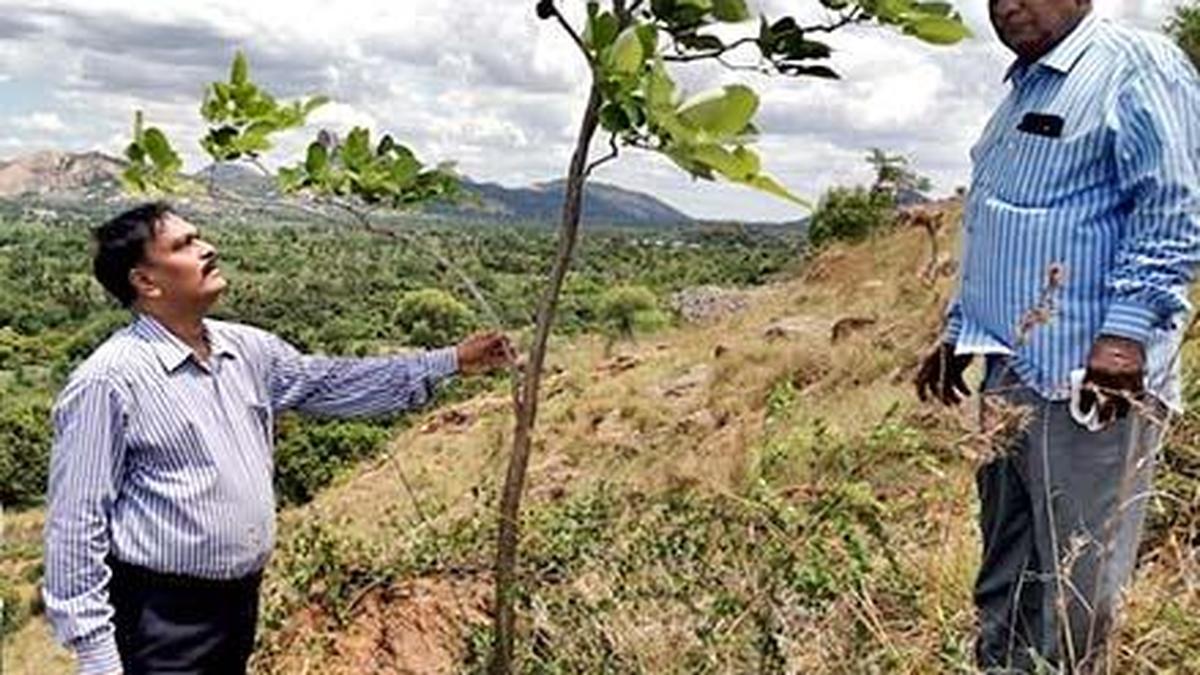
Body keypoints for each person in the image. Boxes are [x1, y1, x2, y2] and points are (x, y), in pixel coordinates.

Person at [42, 202, 515, 674]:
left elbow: (331, 383)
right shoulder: (109, 380)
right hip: (160, 616)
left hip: (238, 604)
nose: (208, 248)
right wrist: (97, 656)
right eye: (185, 244)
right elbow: (76, 523)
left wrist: (451, 361)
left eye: (199, 236)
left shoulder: (246, 349)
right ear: (145, 281)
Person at [915, 1, 1200, 671]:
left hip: (1091, 381)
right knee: (1007, 566)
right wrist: (960, 332)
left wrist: (1125, 337)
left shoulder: (1134, 65)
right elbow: (999, 223)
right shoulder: (1025, 88)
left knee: (1078, 585)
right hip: (1010, 371)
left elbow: (1173, 207)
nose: (1008, 5)